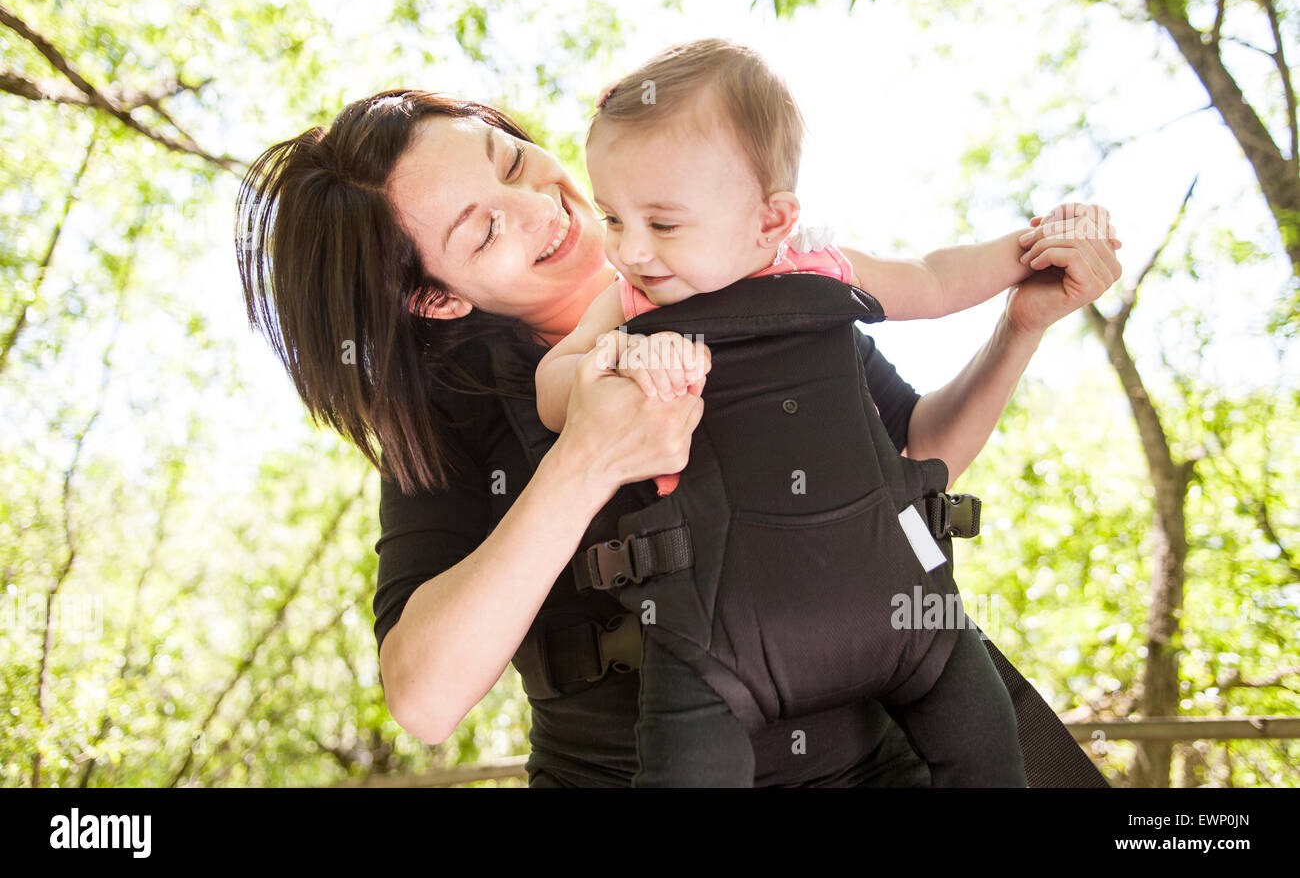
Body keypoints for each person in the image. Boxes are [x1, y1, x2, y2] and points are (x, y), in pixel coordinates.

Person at [234, 85, 1122, 787]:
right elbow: (424, 699)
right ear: (438, 298)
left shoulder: (735, 269)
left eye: (511, 162)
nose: (540, 209)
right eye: (485, 229)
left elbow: (919, 450)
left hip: (882, 749)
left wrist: (1019, 328)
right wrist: (586, 460)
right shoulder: (452, 421)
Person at [534, 39, 1115, 786]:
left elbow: (935, 281)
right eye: (612, 218)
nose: (630, 249)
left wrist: (1033, 247)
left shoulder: (820, 270)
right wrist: (609, 362)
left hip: (907, 621)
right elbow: (553, 384)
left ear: (771, 221)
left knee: (990, 754)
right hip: (716, 646)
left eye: (664, 224)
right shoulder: (628, 309)